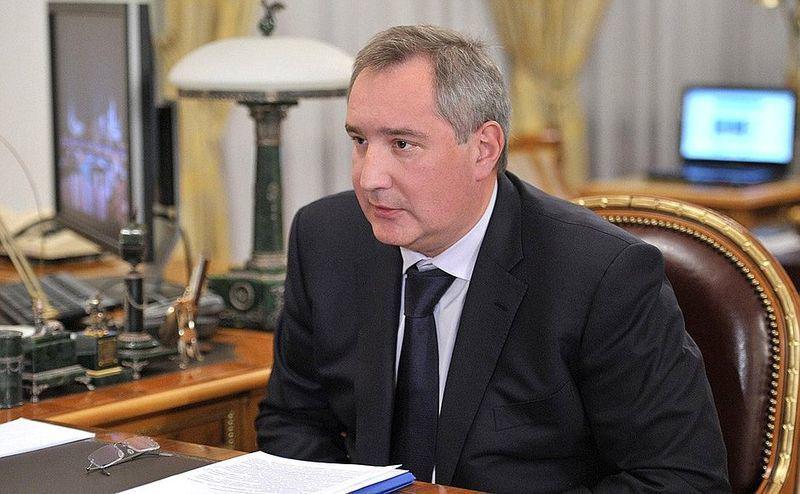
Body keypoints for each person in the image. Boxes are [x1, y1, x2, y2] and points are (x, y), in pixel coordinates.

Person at [256, 25, 730, 493]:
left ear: (484, 149)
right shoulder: (326, 238)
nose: (369, 177)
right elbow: (294, 422)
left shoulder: (601, 274)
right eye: (360, 141)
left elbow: (682, 478)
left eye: (402, 144)